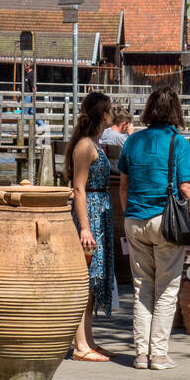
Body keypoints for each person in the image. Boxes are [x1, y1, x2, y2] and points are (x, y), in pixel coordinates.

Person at [118, 86, 190, 369]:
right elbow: (187, 188)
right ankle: (158, 354)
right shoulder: (178, 142)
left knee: (141, 288)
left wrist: (130, 214)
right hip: (165, 223)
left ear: (149, 109)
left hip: (134, 220)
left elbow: (123, 185)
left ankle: (140, 354)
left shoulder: (132, 141)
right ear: (175, 111)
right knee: (167, 289)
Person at [67, 92, 117, 362]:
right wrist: (85, 227)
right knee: (85, 280)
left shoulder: (95, 143)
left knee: (94, 281)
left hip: (100, 211)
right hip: (91, 214)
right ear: (103, 114)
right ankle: (79, 345)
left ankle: (89, 340)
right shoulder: (85, 146)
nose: (115, 112)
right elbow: (79, 187)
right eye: (111, 109)